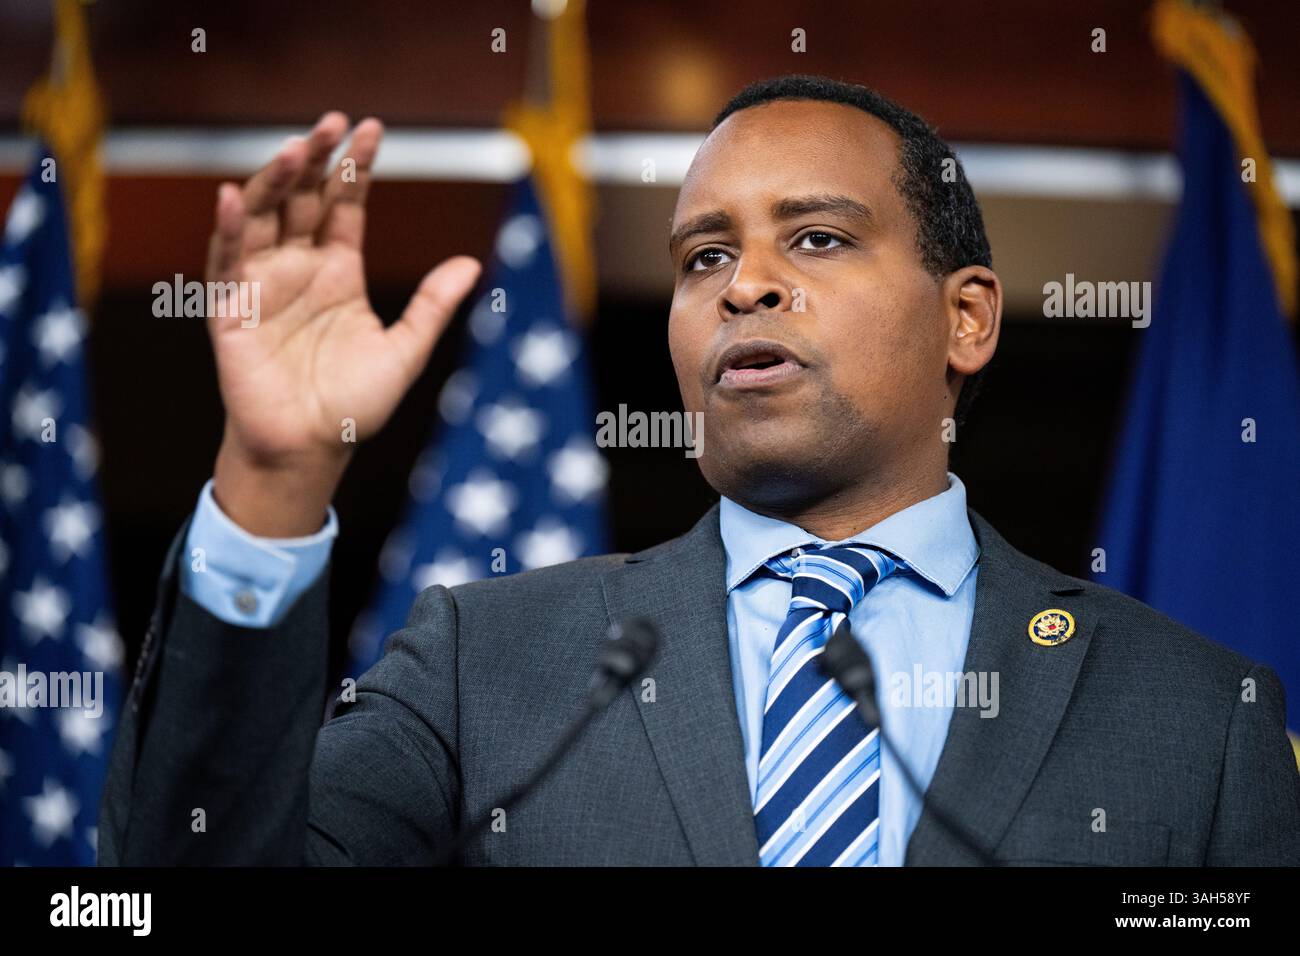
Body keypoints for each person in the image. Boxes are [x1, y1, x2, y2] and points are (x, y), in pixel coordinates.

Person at [99, 75, 1300, 866]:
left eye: (817, 238)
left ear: (967, 318)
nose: (742, 284)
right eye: (702, 255)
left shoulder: (1197, 714)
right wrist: (273, 479)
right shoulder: (484, 663)